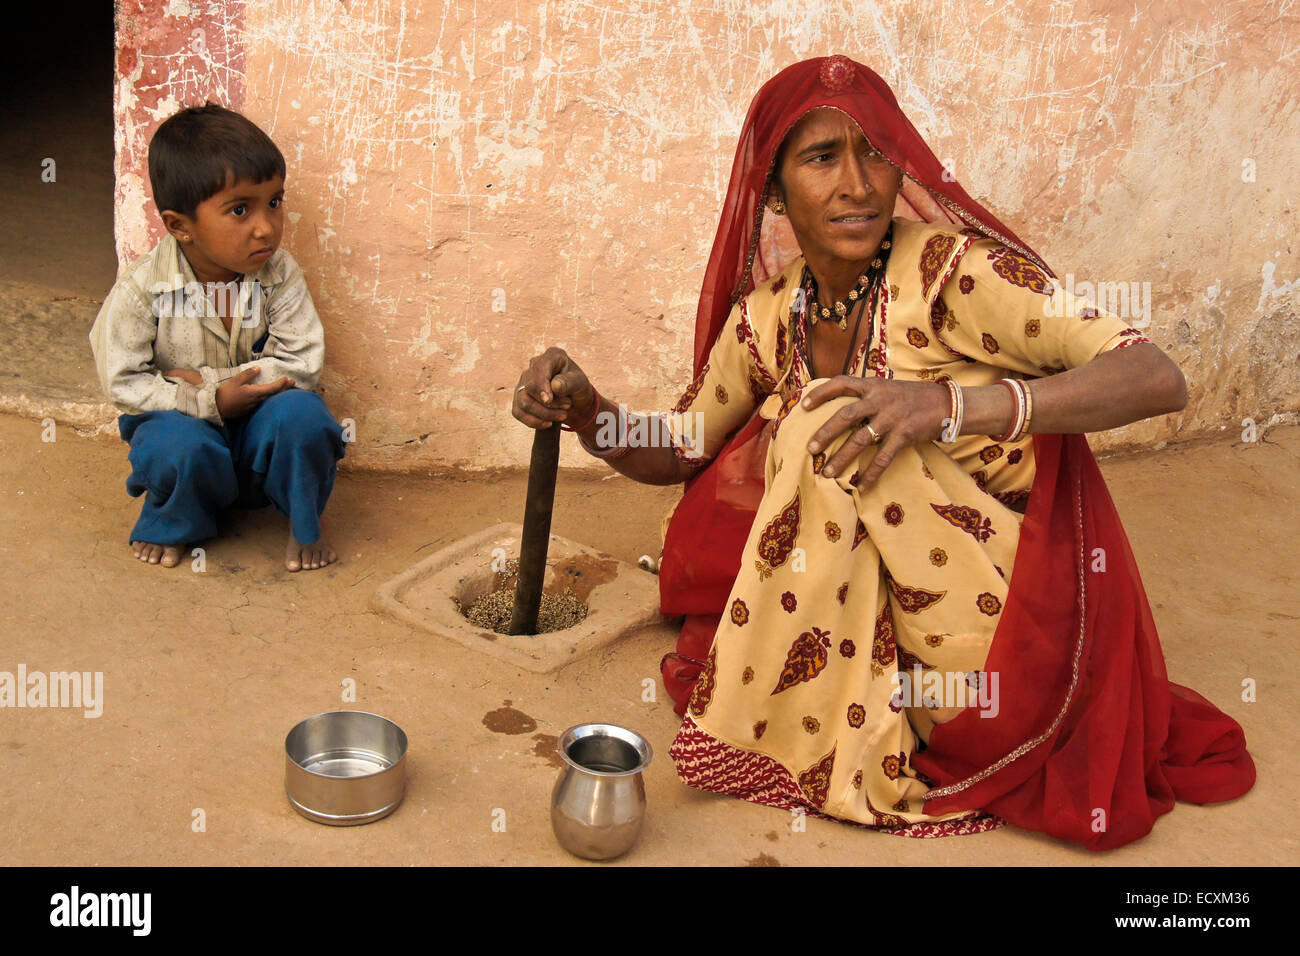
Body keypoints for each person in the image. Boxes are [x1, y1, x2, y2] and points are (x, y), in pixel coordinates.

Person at [511, 55, 1254, 850]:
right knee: (813, 421)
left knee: (815, 421)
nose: (858, 185)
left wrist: (948, 406)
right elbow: (680, 450)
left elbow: (1154, 376)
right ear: (772, 189)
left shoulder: (953, 277)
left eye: (874, 155)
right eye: (822, 158)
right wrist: (590, 412)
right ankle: (865, 707)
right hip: (883, 616)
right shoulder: (769, 316)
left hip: (1010, 616)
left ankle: (898, 722)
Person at [89, 104, 345, 573]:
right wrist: (208, 403)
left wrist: (205, 383)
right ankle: (174, 521)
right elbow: (123, 383)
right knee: (174, 445)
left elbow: (302, 362)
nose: (266, 226)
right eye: (240, 210)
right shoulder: (143, 289)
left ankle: (304, 526)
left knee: (305, 416)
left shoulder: (279, 273)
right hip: (182, 428)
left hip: (257, 434)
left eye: (274, 201)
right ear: (180, 226)